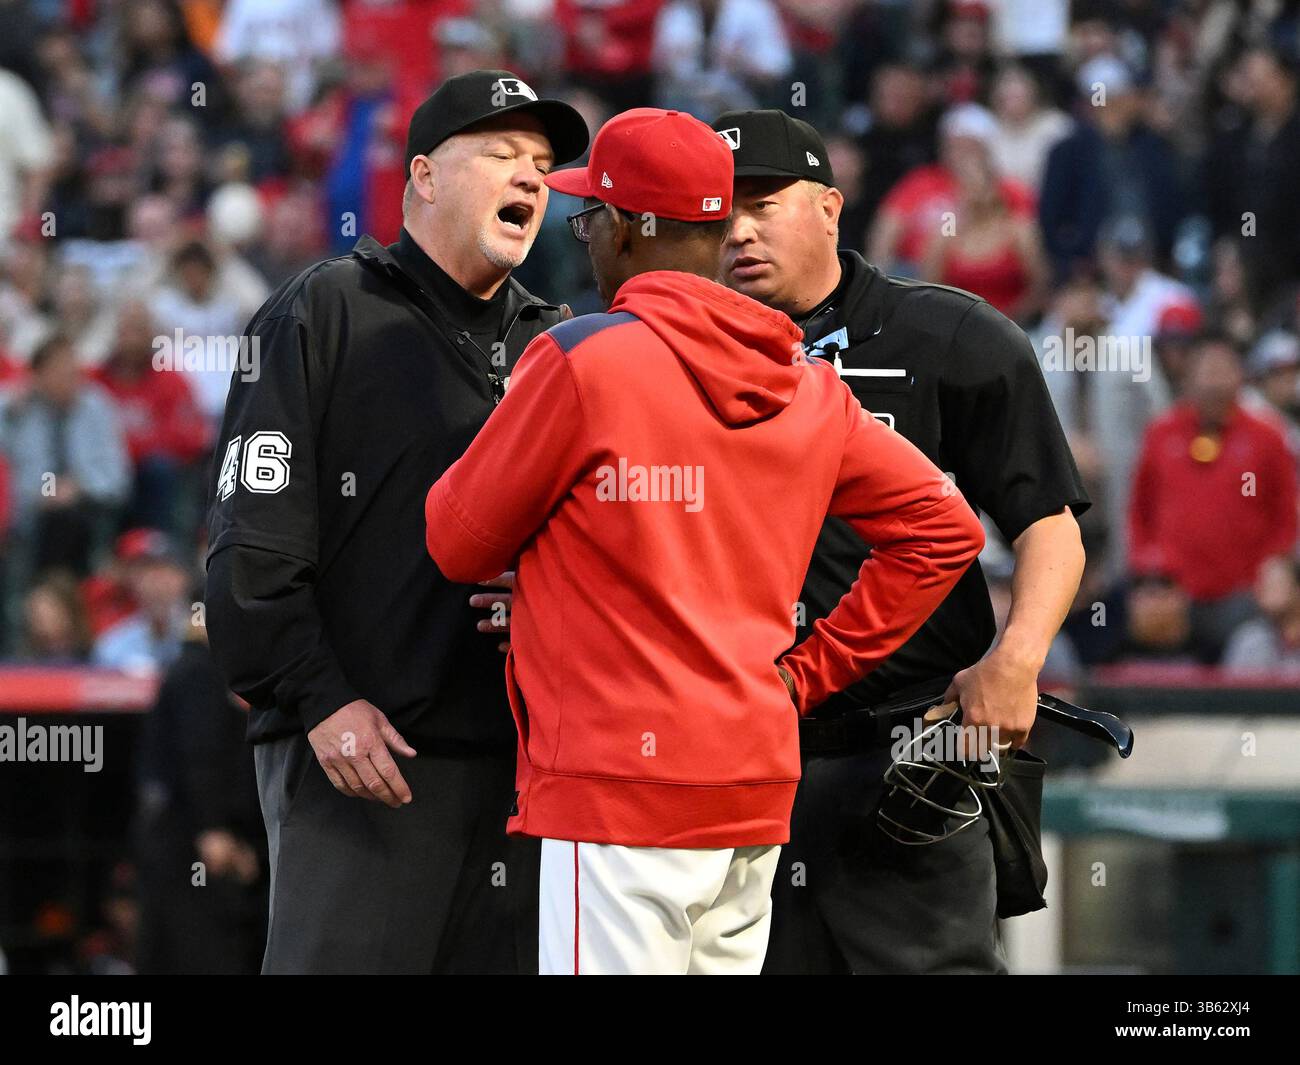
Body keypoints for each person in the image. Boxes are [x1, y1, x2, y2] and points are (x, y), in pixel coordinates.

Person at [425, 107, 986, 975]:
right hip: (752, 782)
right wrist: (806, 673)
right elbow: (943, 532)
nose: (587, 236)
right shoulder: (807, 383)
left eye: (593, 216)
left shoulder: (582, 359)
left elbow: (455, 542)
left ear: (626, 229)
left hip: (618, 787)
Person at [203, 69, 589, 974]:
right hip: (361, 760)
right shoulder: (325, 310)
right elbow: (252, 541)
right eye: (500, 154)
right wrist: (321, 699)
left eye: (541, 164)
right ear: (421, 175)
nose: (531, 179)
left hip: (523, 776)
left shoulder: (557, 341)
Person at [713, 107, 1089, 974]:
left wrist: (1016, 661)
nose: (737, 229)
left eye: (765, 202)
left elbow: (1049, 524)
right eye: (718, 210)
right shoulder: (668, 355)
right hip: (739, 754)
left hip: (912, 744)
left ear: (832, 209)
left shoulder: (951, 335)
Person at [1128, 332, 1298, 663]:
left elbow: (1285, 518)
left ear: (1241, 375)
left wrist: (1271, 572)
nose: (1215, 379)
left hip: (1244, 594)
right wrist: (1148, 570)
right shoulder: (1161, 434)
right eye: (1207, 367)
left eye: (1224, 368)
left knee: (1246, 658)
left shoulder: (1268, 436)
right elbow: (1139, 509)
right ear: (1188, 374)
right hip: (1173, 594)